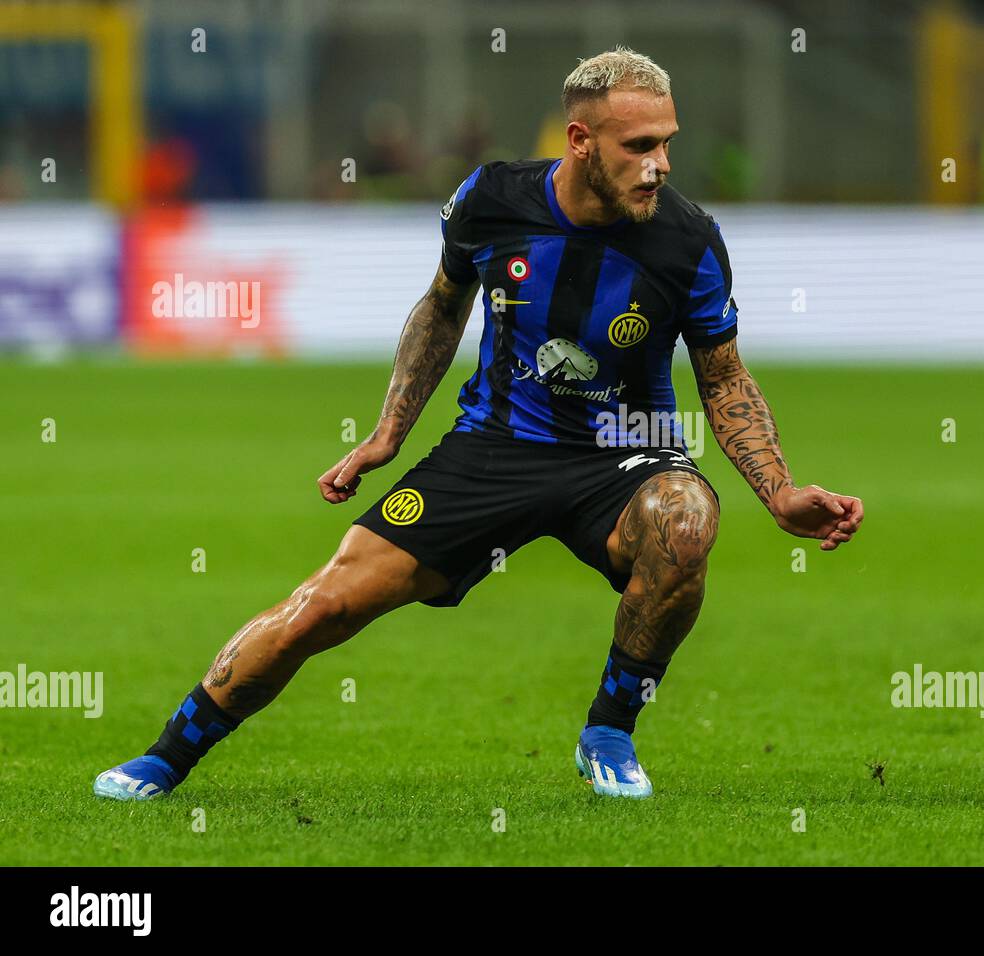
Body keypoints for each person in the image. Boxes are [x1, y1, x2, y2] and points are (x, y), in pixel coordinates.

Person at [94, 47, 862, 802]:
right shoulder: (491, 199)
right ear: (580, 141)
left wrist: (779, 492)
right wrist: (389, 432)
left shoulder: (689, 239)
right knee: (324, 605)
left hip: (625, 455)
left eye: (667, 143)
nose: (660, 164)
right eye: (639, 146)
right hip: (492, 448)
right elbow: (441, 306)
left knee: (686, 519)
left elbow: (723, 378)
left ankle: (610, 730)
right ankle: (165, 758)